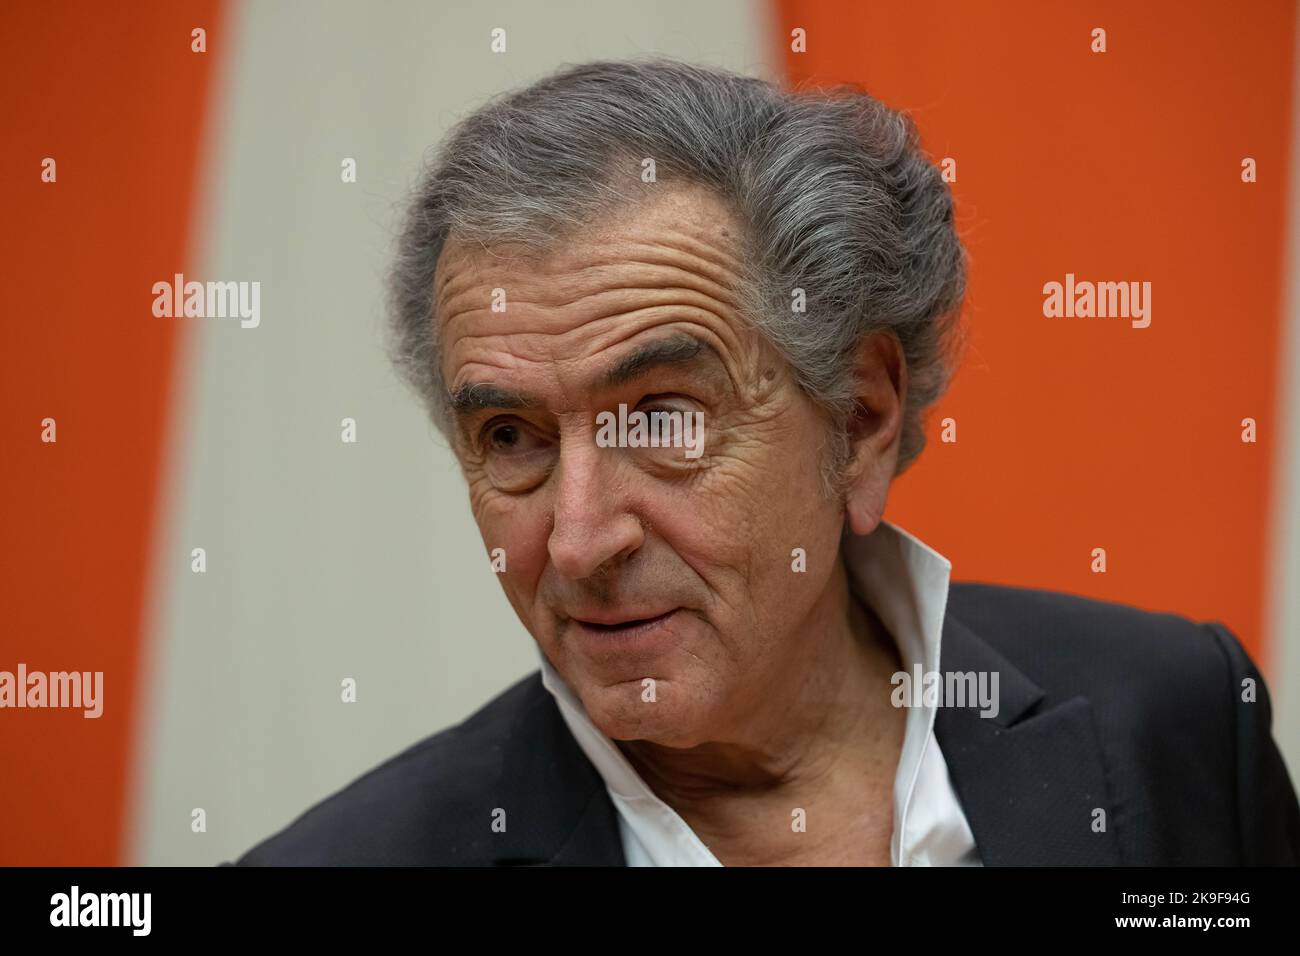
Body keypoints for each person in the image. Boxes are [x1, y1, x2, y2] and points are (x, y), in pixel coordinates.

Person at [231, 58, 1299, 866]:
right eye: (510, 437)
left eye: (660, 417)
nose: (578, 537)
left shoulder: (1171, 723)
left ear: (861, 416)